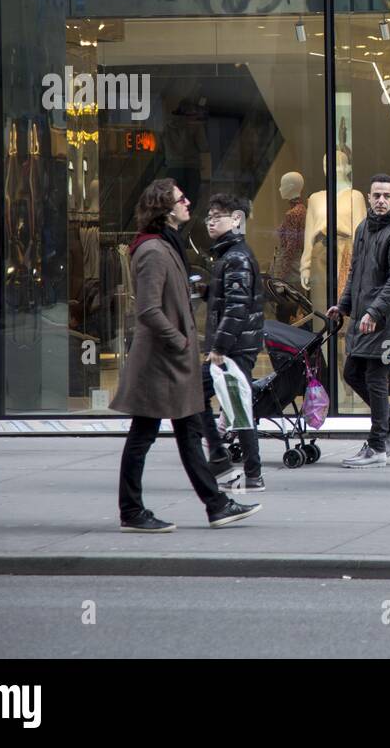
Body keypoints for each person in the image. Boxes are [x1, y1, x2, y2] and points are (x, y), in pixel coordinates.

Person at [111, 179, 261, 532]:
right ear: (165, 209)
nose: (188, 202)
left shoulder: (164, 246)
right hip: (160, 363)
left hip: (172, 363)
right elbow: (148, 310)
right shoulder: (152, 251)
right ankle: (132, 511)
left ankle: (217, 505)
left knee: (189, 432)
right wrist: (179, 340)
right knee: (143, 436)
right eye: (181, 199)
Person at [327, 174, 390, 468]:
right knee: (352, 372)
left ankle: (378, 446)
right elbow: (356, 272)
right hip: (365, 315)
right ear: (369, 197)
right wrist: (343, 306)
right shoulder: (364, 226)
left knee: (376, 378)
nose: (380, 200)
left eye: (386, 196)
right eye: (376, 195)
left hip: (386, 319)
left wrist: (374, 312)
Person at [199, 194, 266, 492]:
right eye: (209, 217)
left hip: (234, 348)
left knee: (214, 398)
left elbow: (237, 307)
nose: (211, 222)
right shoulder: (229, 255)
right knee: (238, 407)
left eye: (218, 216)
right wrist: (206, 292)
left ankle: (224, 461)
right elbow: (229, 299)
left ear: (236, 219)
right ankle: (251, 473)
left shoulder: (236, 256)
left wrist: (219, 348)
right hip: (237, 346)